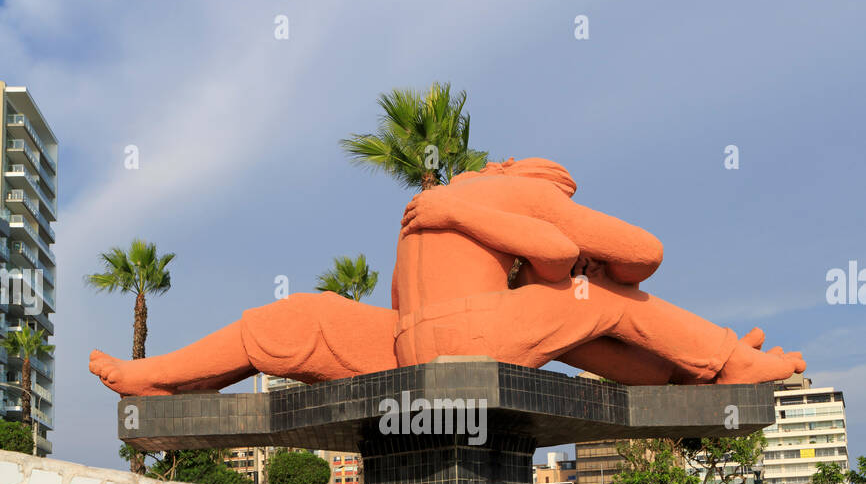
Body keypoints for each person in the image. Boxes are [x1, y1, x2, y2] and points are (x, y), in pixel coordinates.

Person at [90, 157, 805, 394]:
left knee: (294, 319)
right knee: (602, 296)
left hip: (407, 343)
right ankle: (733, 362)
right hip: (475, 338)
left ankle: (152, 378)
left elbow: (406, 301)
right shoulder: (522, 193)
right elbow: (642, 250)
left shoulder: (424, 209)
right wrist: (569, 257)